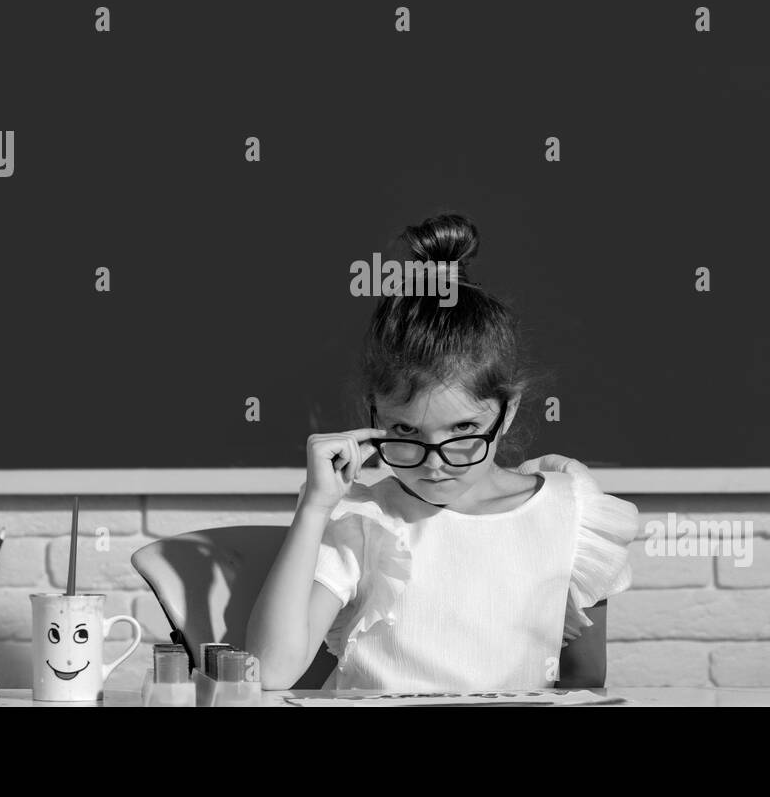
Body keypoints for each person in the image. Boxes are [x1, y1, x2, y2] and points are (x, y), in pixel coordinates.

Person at [246, 212, 639, 691]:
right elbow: (269, 671)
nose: (434, 463)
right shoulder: (362, 520)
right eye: (405, 433)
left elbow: (586, 683)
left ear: (507, 412)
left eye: (464, 430)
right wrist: (314, 505)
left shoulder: (573, 515)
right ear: (374, 418)